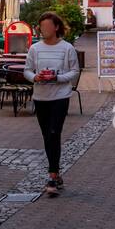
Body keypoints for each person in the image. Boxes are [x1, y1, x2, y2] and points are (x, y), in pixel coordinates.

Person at [23, 11, 80, 197]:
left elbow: (74, 71)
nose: (43, 30)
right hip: (41, 97)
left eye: (47, 26)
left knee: (55, 132)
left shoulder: (67, 48)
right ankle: (56, 171)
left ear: (56, 27)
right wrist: (35, 77)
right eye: (41, 27)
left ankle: (52, 175)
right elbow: (27, 70)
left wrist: (58, 78)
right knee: (47, 135)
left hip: (60, 96)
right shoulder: (35, 49)